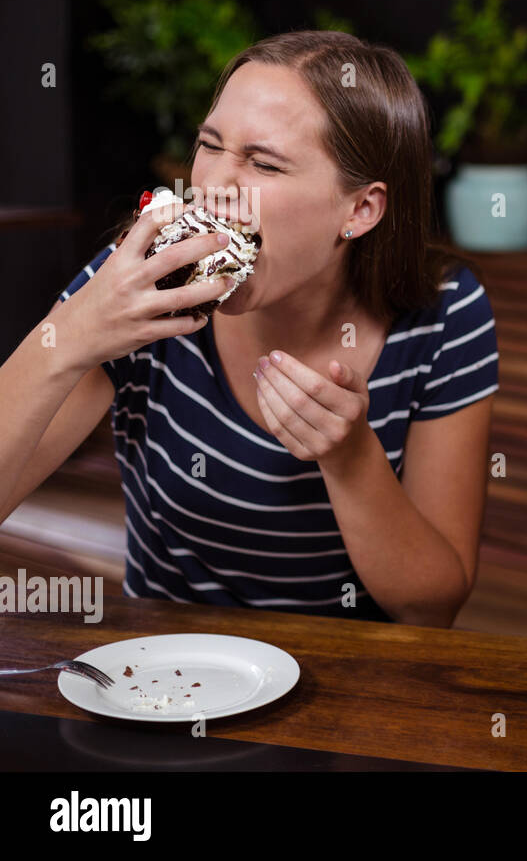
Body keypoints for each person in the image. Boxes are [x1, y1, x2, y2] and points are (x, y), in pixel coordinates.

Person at [0, 31, 498, 626]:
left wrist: (350, 459)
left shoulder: (446, 312)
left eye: (263, 163)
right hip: (163, 672)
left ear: (360, 209)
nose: (212, 185)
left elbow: (432, 606)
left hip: (360, 684)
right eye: (209, 146)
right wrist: (70, 338)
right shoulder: (137, 286)